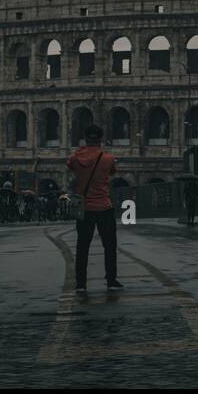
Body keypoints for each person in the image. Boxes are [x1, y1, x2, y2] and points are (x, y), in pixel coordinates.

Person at [66, 124, 122, 296]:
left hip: (85, 208)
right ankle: (111, 281)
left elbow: (70, 165)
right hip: (104, 207)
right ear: (100, 139)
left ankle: (81, 284)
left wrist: (82, 149)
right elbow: (112, 172)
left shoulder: (76, 158)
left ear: (85, 138)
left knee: (82, 246)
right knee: (109, 246)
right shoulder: (108, 158)